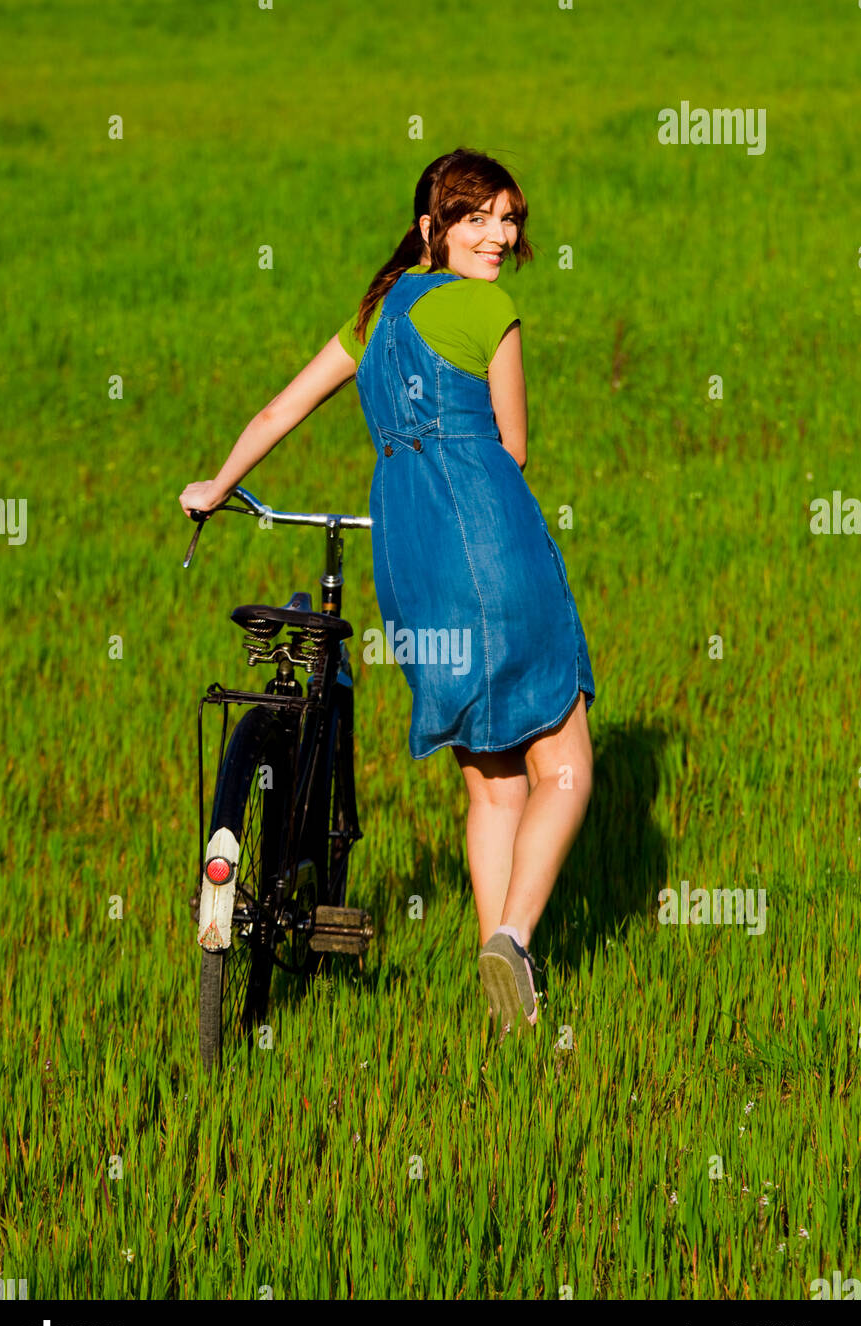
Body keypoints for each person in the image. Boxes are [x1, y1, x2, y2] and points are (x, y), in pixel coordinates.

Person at [180, 147, 595, 1039]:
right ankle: (515, 938)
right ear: (430, 227)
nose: (498, 235)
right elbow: (512, 450)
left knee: (492, 787)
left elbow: (278, 412)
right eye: (475, 216)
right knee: (564, 767)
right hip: (492, 543)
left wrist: (216, 486)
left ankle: (504, 1005)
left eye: (508, 218)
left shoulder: (374, 316)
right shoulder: (488, 308)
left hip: (410, 567)